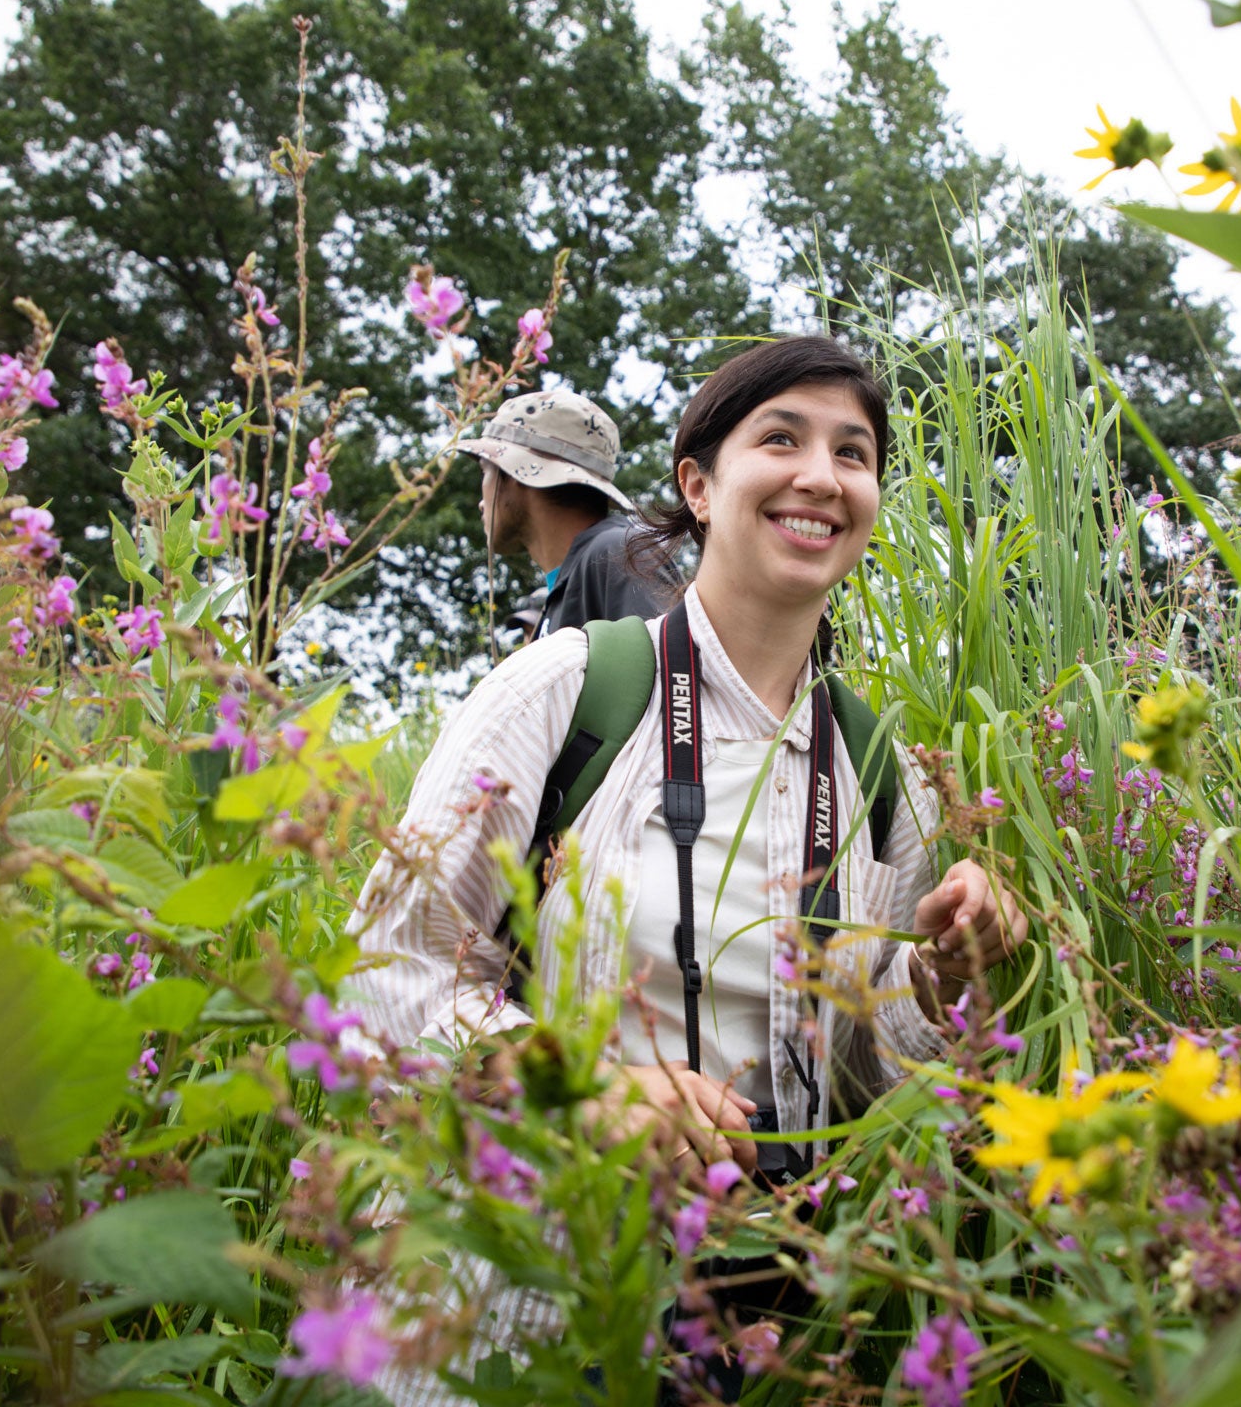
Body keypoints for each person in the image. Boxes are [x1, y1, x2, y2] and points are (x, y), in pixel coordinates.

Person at [348, 336, 1028, 1404]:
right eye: (782, 438)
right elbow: (387, 975)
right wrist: (582, 1095)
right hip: (508, 1309)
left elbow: (875, 1073)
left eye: (854, 453)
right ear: (699, 486)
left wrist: (947, 976)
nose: (821, 474)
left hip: (760, 1331)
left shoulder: (882, 772)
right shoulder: (565, 692)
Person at [455, 388, 671, 639]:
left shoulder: (618, 554)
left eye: (485, 471)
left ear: (513, 472)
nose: (482, 503)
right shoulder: (563, 593)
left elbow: (668, 672)